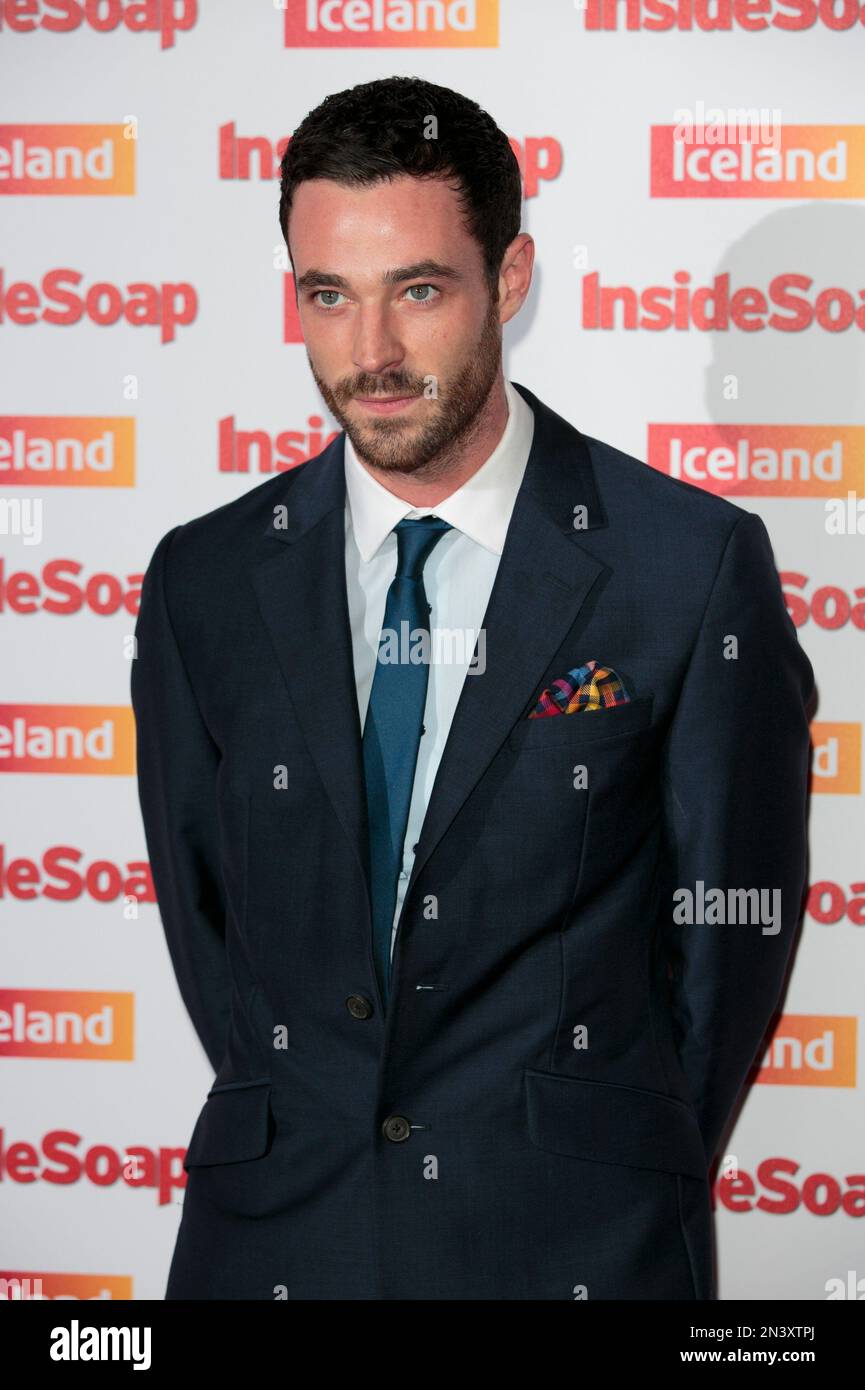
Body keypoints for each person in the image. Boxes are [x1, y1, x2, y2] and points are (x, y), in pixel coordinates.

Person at [131, 76, 816, 1300]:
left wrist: (606, 1156)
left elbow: (729, 941)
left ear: (509, 279)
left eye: (421, 291)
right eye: (327, 296)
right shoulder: (206, 579)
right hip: (272, 1241)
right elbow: (209, 925)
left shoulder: (687, 567)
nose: (372, 354)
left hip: (575, 1247)